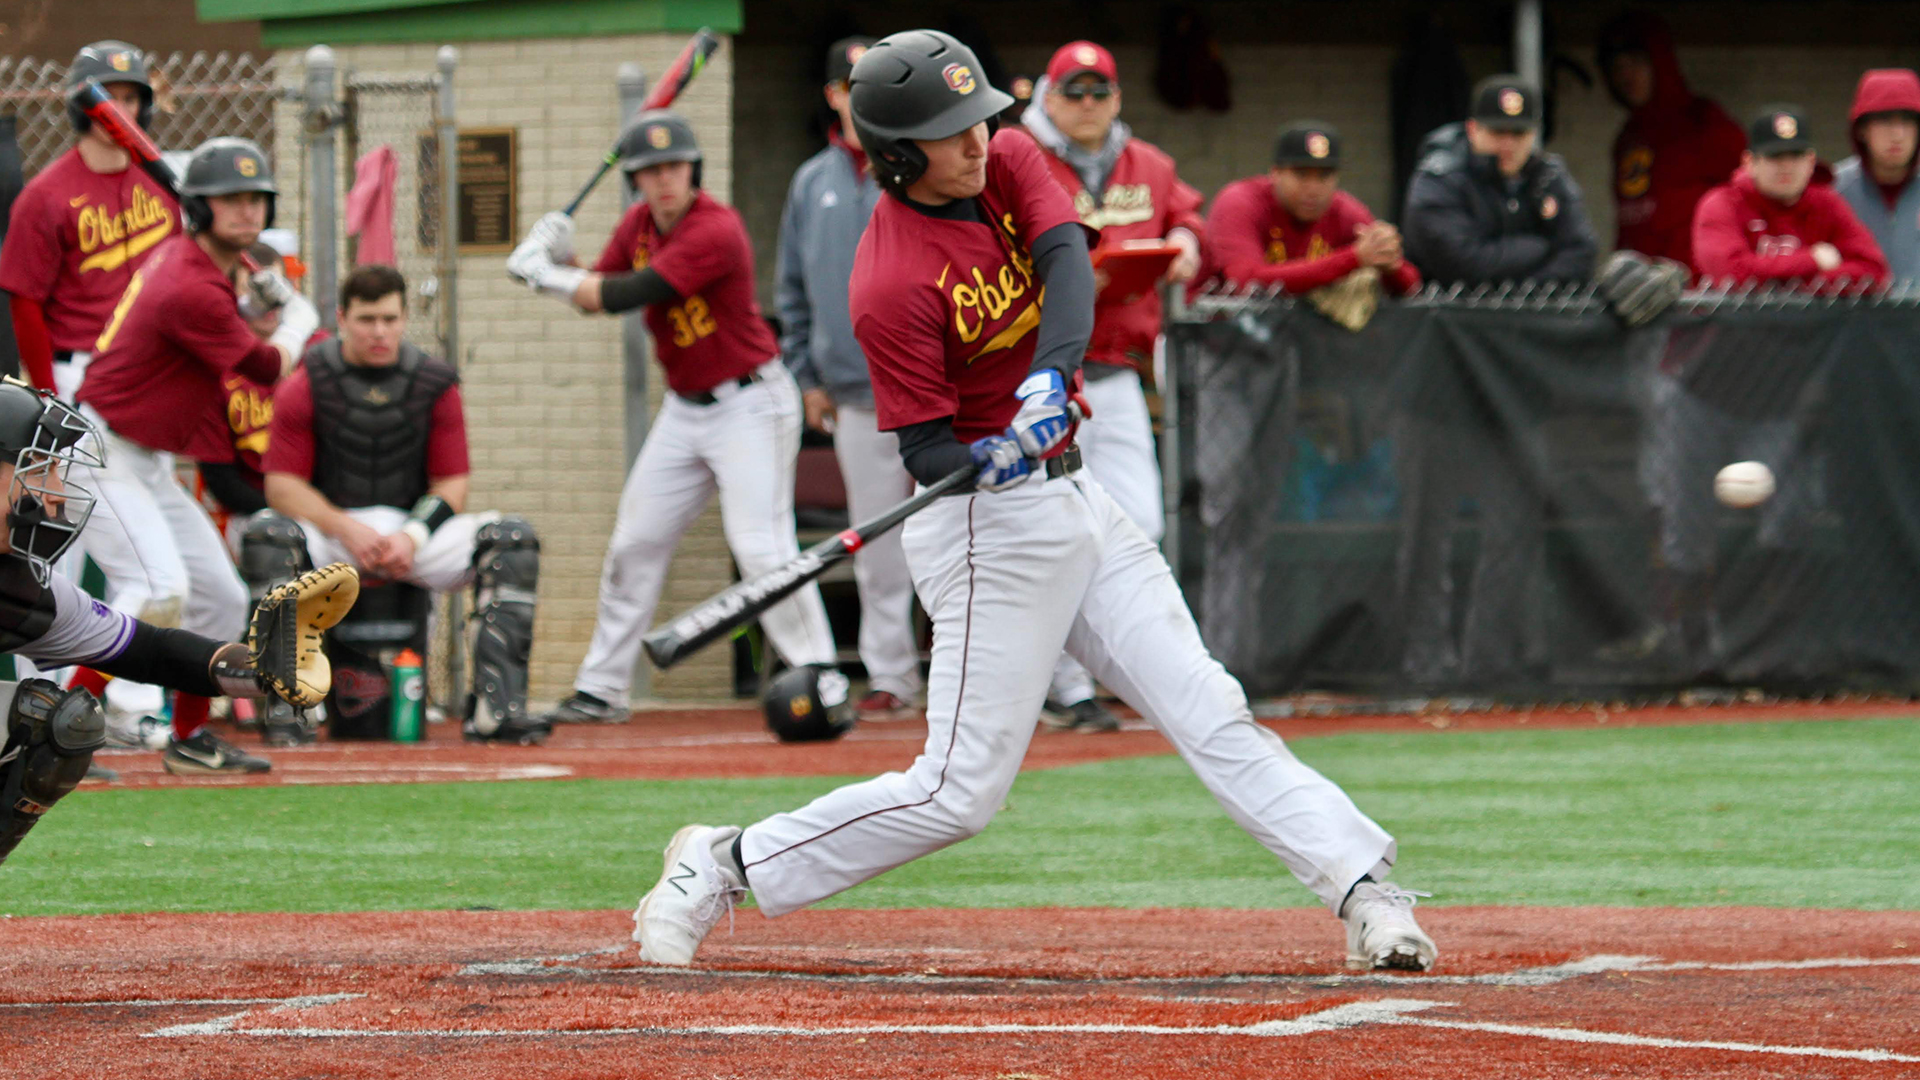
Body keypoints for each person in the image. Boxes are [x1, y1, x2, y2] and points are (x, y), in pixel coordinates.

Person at [629, 30, 1437, 975]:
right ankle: (722, 864)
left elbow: (1063, 261)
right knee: (958, 793)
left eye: (980, 120)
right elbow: (925, 450)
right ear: (895, 155)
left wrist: (1049, 383)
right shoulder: (888, 282)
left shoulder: (1006, 154)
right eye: (950, 131)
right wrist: (986, 455)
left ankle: (1362, 889)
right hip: (983, 529)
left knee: (1207, 705)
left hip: (1076, 494)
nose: (979, 141)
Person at [506, 111, 848, 728]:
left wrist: (544, 276)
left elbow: (621, 295)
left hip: (751, 403)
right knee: (633, 544)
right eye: (651, 170)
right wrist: (562, 258)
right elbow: (601, 287)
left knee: (760, 548)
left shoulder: (717, 229)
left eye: (675, 165)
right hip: (685, 409)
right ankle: (603, 687)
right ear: (635, 179)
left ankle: (822, 678)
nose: (665, 179)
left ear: (693, 169)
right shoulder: (638, 223)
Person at [0, 378, 350, 862]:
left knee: (49, 723)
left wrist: (263, 670)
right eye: (39, 468)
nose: (56, 494)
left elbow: (147, 650)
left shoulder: (21, 586)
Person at [68, 135, 318, 775]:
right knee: (156, 587)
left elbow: (226, 304)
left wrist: (255, 291)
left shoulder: (202, 264)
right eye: (228, 200)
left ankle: (188, 735)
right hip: (101, 448)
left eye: (255, 199)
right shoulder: (189, 282)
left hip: (145, 456)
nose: (246, 211)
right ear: (199, 209)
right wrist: (295, 318)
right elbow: (263, 367)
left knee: (220, 597)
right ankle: (64, 725)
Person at [261, 264, 546, 746]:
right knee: (266, 535)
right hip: (335, 533)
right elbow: (281, 485)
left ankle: (498, 710)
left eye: (391, 319)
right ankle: (288, 710)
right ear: (342, 317)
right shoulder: (309, 380)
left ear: (404, 317)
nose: (380, 331)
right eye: (367, 319)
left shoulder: (433, 383)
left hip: (410, 533)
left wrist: (412, 537)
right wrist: (345, 529)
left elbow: (453, 483)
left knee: (511, 540)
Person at [1008, 39, 1204, 733]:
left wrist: (1186, 245)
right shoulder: (1016, 153)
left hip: (1117, 366)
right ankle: (1066, 687)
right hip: (1041, 371)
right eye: (1074, 91)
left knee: (1138, 524)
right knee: (1057, 530)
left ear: (1116, 98)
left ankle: (1120, 671)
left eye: (1099, 92)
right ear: (1048, 96)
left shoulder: (1147, 161)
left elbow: (1186, 216)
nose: (1087, 104)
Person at [776, 36, 922, 723]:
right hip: (856, 395)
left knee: (956, 536)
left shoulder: (917, 163)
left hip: (932, 391)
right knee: (878, 544)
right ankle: (893, 674)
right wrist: (806, 374)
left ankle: (963, 674)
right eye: (853, 83)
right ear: (834, 94)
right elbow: (792, 291)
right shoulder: (812, 182)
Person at [0, 41, 178, 402]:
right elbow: (25, 303)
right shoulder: (44, 195)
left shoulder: (162, 184)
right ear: (81, 106)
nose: (119, 110)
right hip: (81, 370)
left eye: (129, 99)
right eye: (106, 98)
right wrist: (47, 395)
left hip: (156, 366)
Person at [1402, 75, 1597, 285]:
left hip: (1538, 314)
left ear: (1533, 135)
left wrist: (1528, 292)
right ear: (1472, 130)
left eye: (1519, 133)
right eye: (1498, 132)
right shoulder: (1440, 178)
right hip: (1449, 314)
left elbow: (1582, 252)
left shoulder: (1547, 175)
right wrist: (1542, 246)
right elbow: (1464, 266)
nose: (1508, 144)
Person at [1596, 11, 1747, 270]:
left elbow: (1750, 198)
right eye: (1617, 67)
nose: (1626, 76)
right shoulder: (1628, 137)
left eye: (1636, 62)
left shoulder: (1704, 121)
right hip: (1639, 286)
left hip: (1697, 287)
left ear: (1659, 62)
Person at [1208, 121, 1423, 296]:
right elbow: (1246, 283)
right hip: (1222, 335)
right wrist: (1353, 259)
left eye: (1324, 176)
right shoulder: (1241, 202)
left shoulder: (1343, 210)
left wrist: (1388, 261)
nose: (1313, 188)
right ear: (1275, 173)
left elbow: (1412, 285)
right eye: (1301, 174)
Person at [1692, 105, 1889, 288]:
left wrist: (1800, 285)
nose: (1786, 167)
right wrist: (1812, 260)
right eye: (1775, 157)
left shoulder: (1826, 202)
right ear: (1749, 162)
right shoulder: (1723, 203)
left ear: (1811, 161)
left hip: (1812, 325)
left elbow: (1874, 271)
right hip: (1738, 324)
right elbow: (1730, 273)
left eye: (1795, 156)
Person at [1832, 70, 1920, 283]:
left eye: (1908, 122)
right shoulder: (1833, 189)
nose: (1897, 135)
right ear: (1862, 129)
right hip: (1854, 314)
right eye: (1885, 121)